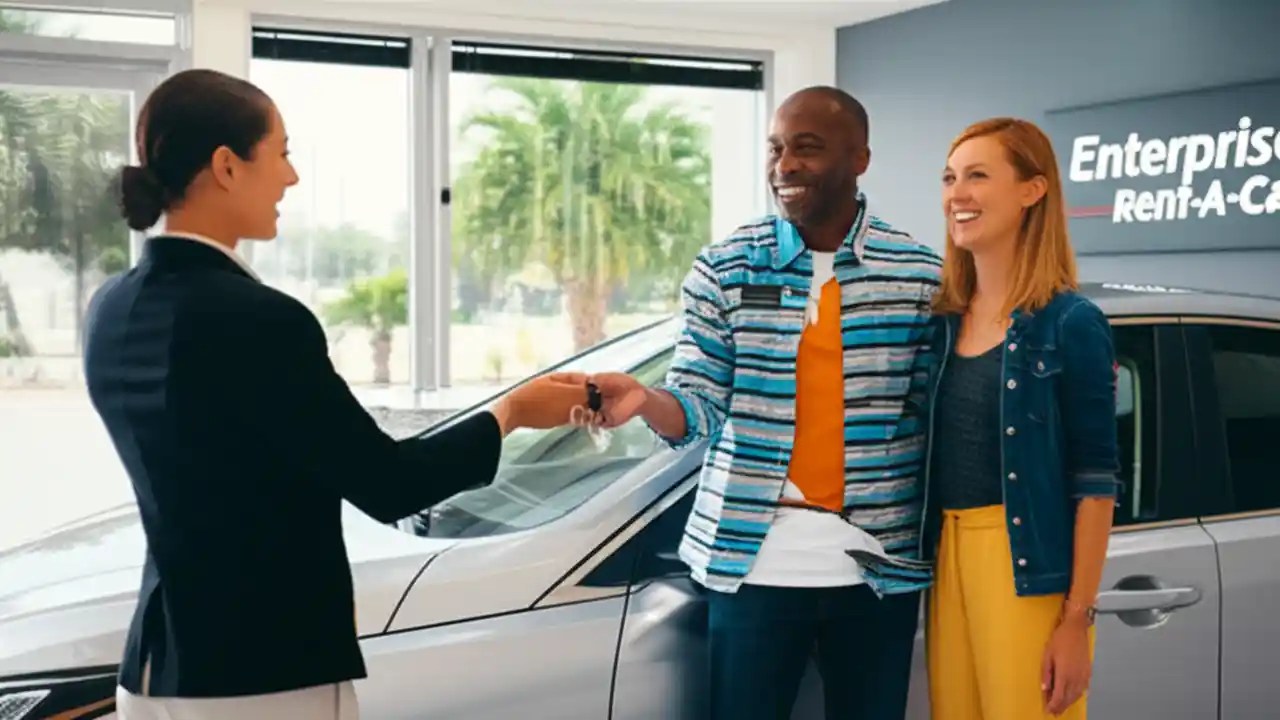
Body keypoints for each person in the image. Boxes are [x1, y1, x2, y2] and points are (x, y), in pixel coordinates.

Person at [84, 69, 589, 720]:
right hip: (267, 675)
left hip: (155, 671)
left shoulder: (111, 309)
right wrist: (513, 412)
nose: (291, 178)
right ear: (227, 166)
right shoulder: (260, 321)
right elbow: (388, 483)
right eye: (283, 153)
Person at [589, 86, 942, 720]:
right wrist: (645, 400)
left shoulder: (918, 273)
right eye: (776, 148)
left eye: (807, 148)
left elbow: (938, 415)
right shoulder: (726, 267)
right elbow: (698, 404)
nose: (785, 165)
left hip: (879, 568)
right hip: (749, 564)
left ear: (860, 159)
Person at [923, 117, 1120, 719]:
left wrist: (1074, 621)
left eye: (978, 176)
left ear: (1033, 190)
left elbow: (1095, 484)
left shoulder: (1071, 322)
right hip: (944, 558)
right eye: (951, 177)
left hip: (1023, 566)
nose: (957, 193)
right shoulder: (941, 322)